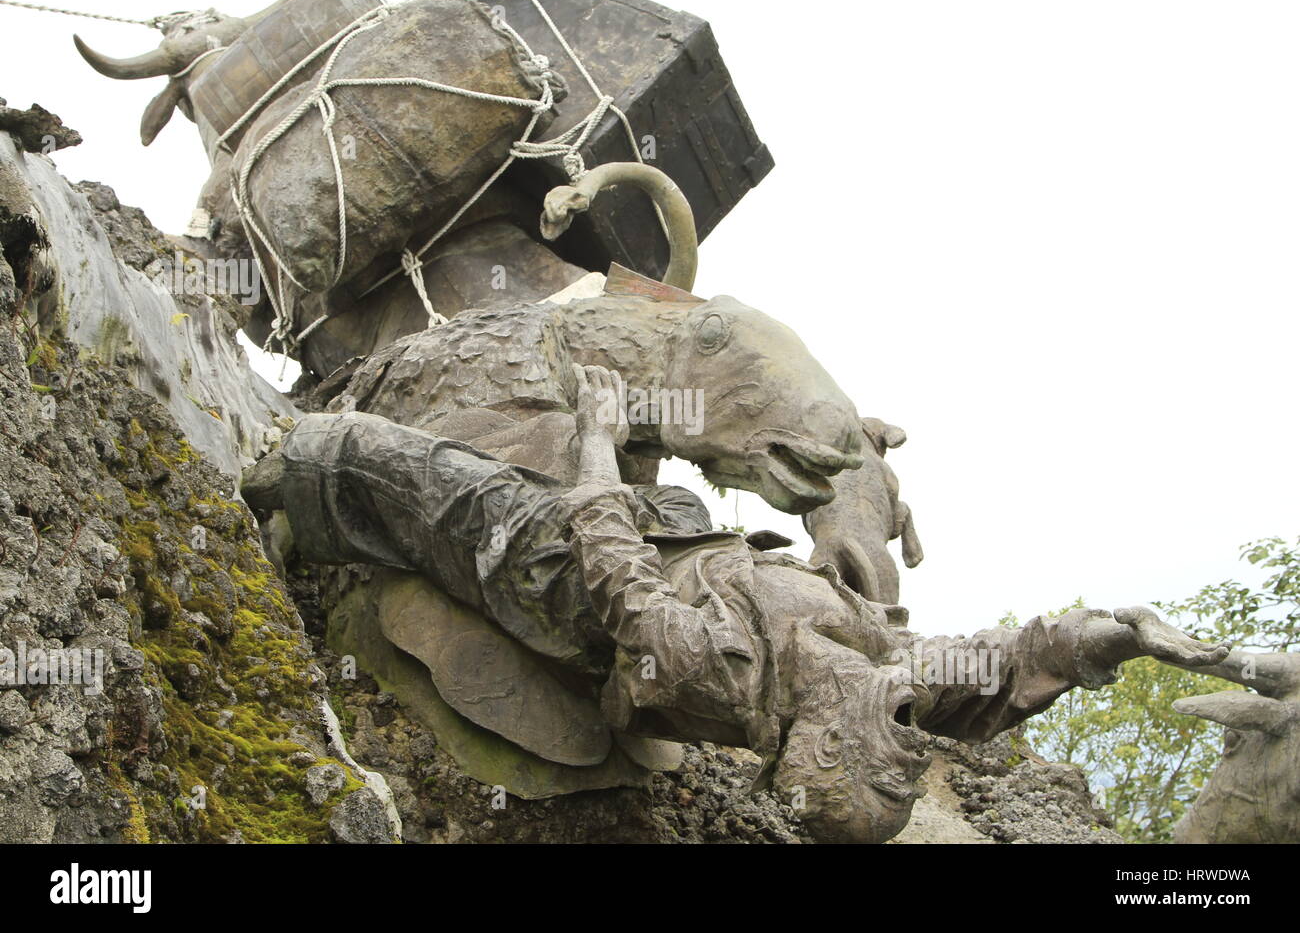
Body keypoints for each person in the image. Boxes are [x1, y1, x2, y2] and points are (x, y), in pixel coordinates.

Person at [254, 365, 1230, 842]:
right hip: (697, 538)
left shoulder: (720, 675)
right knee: (661, 474)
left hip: (566, 575)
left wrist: (597, 440)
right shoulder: (870, 674)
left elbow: (609, 563)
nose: (908, 715)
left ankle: (267, 488)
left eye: (889, 738)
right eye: (906, 728)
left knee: (379, 459)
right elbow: (1004, 659)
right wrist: (1114, 638)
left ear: (821, 732)